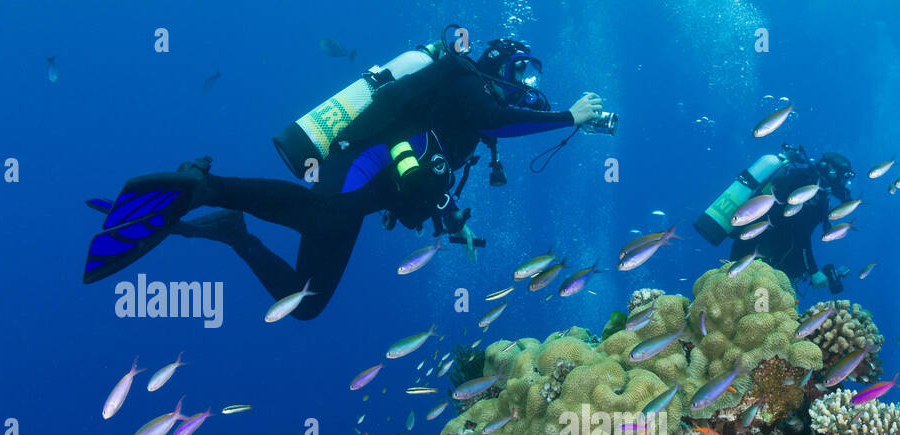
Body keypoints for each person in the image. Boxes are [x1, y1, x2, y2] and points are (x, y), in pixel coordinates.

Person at [82, 35, 604, 320]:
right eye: (524, 73)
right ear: (501, 64)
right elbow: (499, 121)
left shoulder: (467, 113)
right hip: (358, 164)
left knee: (306, 304)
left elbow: (433, 171)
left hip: (369, 194)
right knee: (324, 212)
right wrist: (567, 117)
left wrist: (452, 219)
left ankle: (233, 232)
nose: (527, 85)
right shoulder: (464, 80)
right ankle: (203, 185)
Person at [728, 146, 855, 293]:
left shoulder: (806, 183)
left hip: (757, 247)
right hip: (758, 251)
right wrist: (813, 271)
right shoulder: (810, 192)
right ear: (832, 173)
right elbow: (801, 233)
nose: (844, 183)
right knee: (744, 297)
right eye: (843, 177)